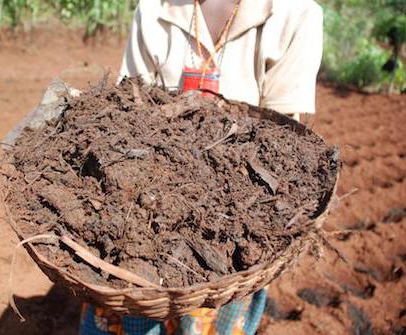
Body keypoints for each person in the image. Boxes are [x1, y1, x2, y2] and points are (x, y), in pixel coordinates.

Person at [79, 0, 323, 334]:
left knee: (213, 317)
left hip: (235, 218)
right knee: (132, 304)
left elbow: (281, 140)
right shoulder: (154, 9)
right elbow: (128, 110)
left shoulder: (293, 14)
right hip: (144, 200)